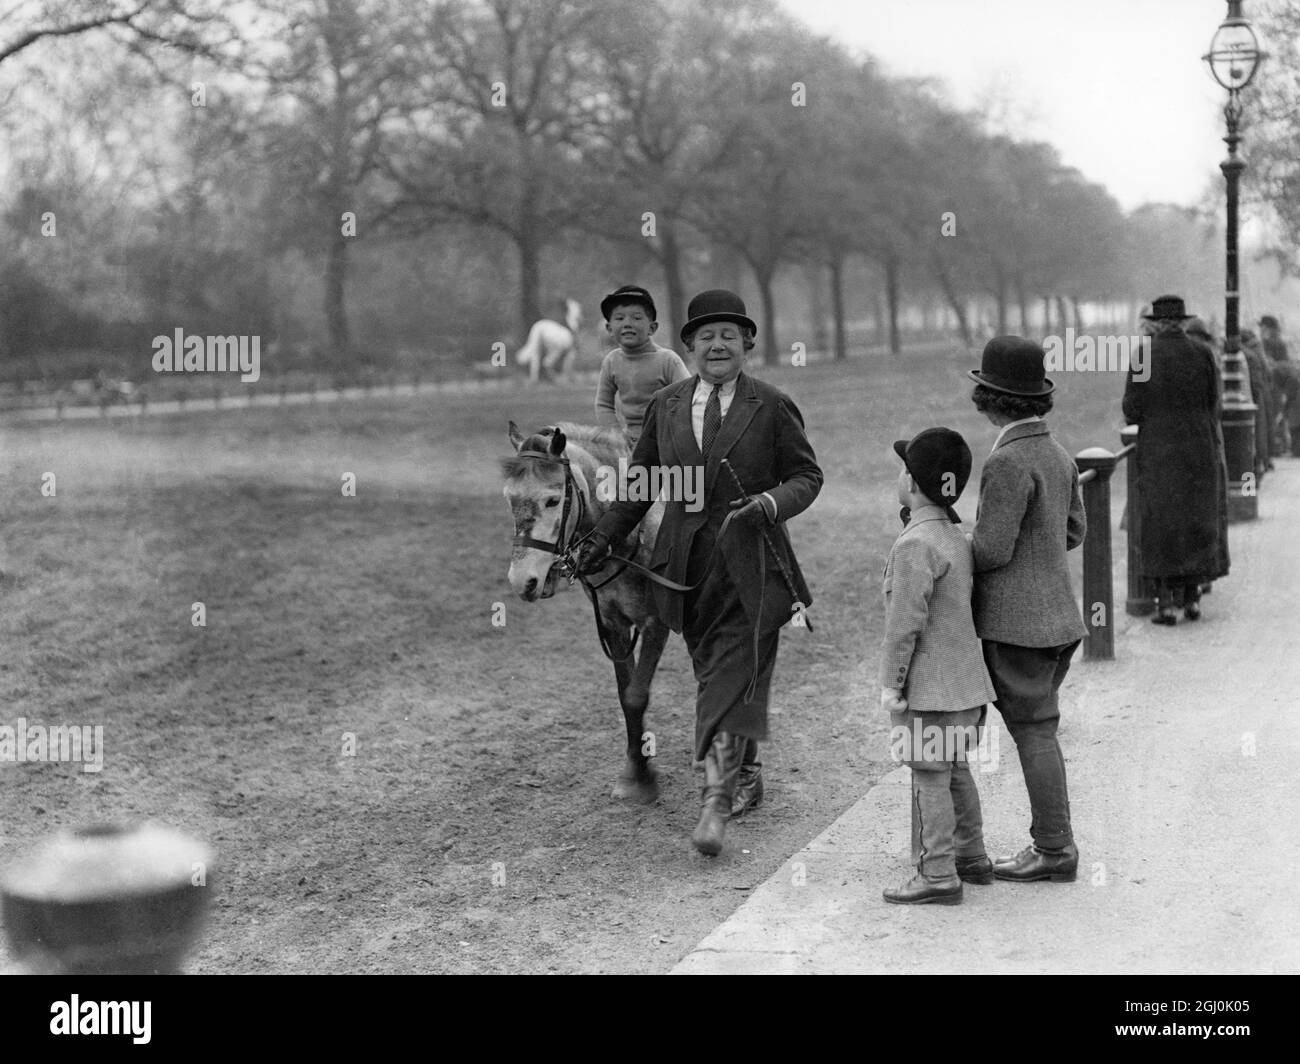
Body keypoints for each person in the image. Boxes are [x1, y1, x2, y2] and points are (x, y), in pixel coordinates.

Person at [576, 289, 823, 856]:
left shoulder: (773, 404)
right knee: (716, 675)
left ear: (748, 345)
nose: (717, 345)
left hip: (754, 566)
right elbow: (638, 490)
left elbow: (807, 477)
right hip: (685, 574)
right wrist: (603, 538)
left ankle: (715, 800)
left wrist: (768, 504)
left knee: (729, 677)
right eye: (706, 336)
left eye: (729, 336)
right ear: (689, 346)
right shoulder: (667, 407)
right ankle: (743, 770)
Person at [967, 336, 1086, 883]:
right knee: (1040, 727)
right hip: (1060, 619)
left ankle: (1054, 849)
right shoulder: (1058, 454)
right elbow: (1074, 531)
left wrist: (948, 543)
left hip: (1018, 627)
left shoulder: (1008, 461)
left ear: (991, 399)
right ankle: (1051, 846)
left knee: (1034, 733)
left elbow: (991, 549)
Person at [880, 428, 997, 906]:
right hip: (967, 686)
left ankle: (938, 872)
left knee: (929, 774)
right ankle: (973, 856)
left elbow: (903, 626)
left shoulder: (913, 545)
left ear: (911, 482)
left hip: (930, 689)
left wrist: (891, 686)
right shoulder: (955, 536)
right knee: (955, 769)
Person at [1123, 296, 1229, 624]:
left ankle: (1166, 604)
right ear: (1183, 322)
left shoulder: (1143, 356)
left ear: (1155, 323)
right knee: (1195, 519)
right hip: (1199, 450)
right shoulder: (1203, 354)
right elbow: (1215, 402)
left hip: (1159, 451)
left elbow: (1131, 408)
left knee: (1162, 523)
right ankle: (1193, 599)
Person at [593, 285, 689, 448]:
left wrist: (671, 436)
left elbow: (689, 399)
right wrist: (616, 436)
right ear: (609, 328)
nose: (627, 324)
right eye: (619, 318)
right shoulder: (612, 361)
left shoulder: (667, 360)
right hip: (628, 442)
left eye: (636, 318)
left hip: (666, 441)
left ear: (652, 328)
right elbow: (603, 404)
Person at [1240, 328, 1275, 476]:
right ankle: (1265, 462)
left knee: (1253, 435)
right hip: (1263, 393)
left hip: (1253, 396)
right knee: (1264, 431)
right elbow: (1268, 372)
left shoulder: (1247, 354)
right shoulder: (1258, 350)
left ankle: (1251, 477)